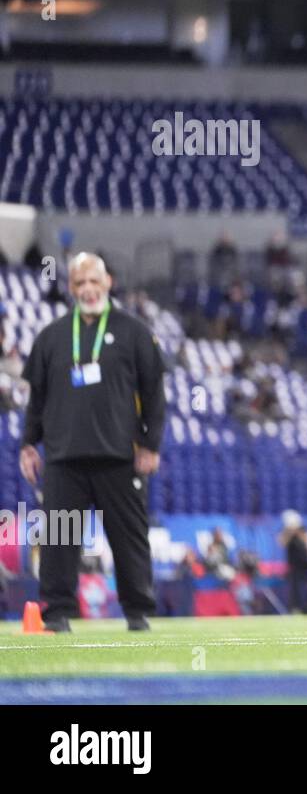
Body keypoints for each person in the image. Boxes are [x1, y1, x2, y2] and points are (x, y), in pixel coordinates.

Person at [18, 252, 166, 633]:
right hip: (64, 457)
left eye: (94, 282)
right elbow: (37, 398)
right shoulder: (51, 336)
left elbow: (154, 394)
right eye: (80, 283)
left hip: (120, 455)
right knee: (59, 538)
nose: (87, 290)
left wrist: (151, 445)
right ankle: (57, 613)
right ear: (70, 288)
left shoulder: (133, 332)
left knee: (128, 537)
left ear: (108, 283)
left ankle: (137, 611)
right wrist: (28, 443)